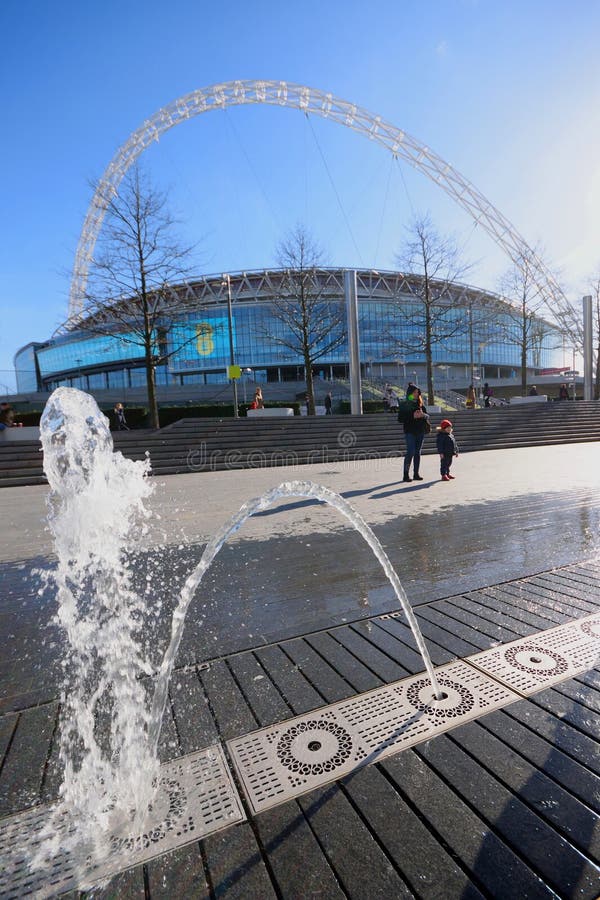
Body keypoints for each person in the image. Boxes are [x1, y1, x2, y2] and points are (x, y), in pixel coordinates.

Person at [398, 387, 430, 482]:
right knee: (410, 452)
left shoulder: (420, 404)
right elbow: (400, 419)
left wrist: (423, 415)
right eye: (414, 392)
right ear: (410, 393)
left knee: (417, 453)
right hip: (410, 431)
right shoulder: (405, 404)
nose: (416, 394)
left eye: (417, 392)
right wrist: (412, 416)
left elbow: (427, 416)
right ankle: (405, 475)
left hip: (420, 431)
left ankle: (416, 474)